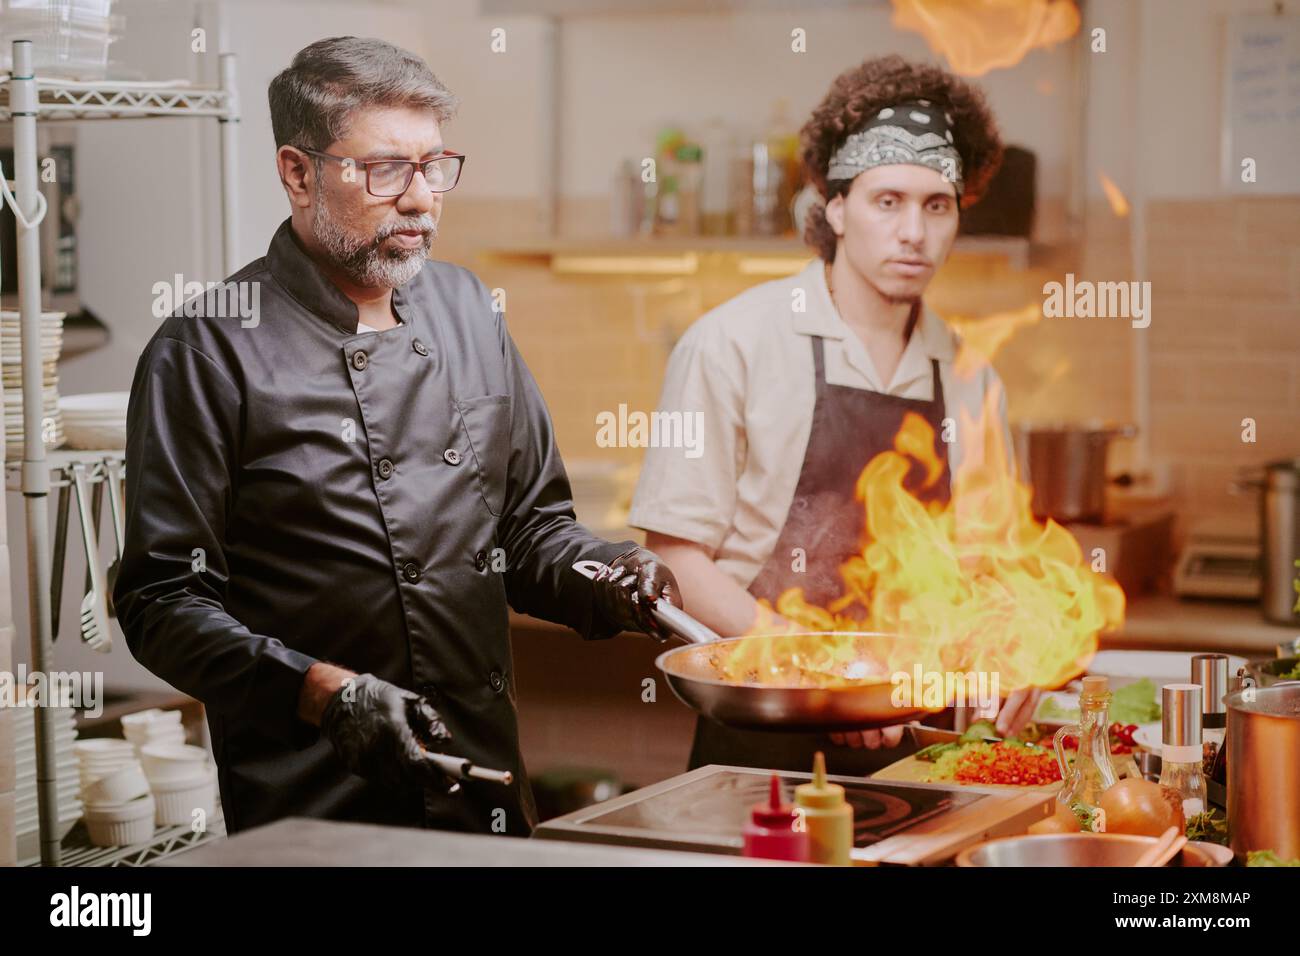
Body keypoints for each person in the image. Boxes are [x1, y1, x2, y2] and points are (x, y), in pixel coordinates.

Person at [114, 36, 679, 835]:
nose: (421, 198)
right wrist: (320, 692)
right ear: (297, 172)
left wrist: (613, 572)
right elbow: (160, 600)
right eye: (386, 171)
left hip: (484, 785)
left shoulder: (468, 310)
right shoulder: (208, 349)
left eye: (435, 165)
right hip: (313, 802)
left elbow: (527, 529)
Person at [629, 55, 1039, 775]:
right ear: (837, 208)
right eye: (888, 201)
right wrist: (823, 664)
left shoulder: (971, 375)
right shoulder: (732, 343)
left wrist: (1011, 647)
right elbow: (674, 557)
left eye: (936, 205)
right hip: (765, 728)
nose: (913, 231)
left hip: (922, 735)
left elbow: (991, 566)